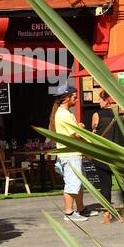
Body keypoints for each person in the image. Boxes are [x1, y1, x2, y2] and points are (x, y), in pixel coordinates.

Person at [91, 91, 124, 224]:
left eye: (100, 100)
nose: (98, 102)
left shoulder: (97, 115)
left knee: (105, 185)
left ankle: (107, 214)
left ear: (106, 100)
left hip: (103, 156)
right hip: (118, 156)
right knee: (122, 185)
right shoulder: (120, 116)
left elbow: (93, 134)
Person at [49, 84, 85, 219]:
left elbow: (72, 130)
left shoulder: (64, 113)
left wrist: (78, 126)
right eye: (74, 97)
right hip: (70, 155)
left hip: (71, 154)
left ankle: (80, 208)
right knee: (72, 183)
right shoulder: (64, 114)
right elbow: (76, 134)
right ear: (66, 98)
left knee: (79, 183)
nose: (76, 100)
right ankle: (69, 212)